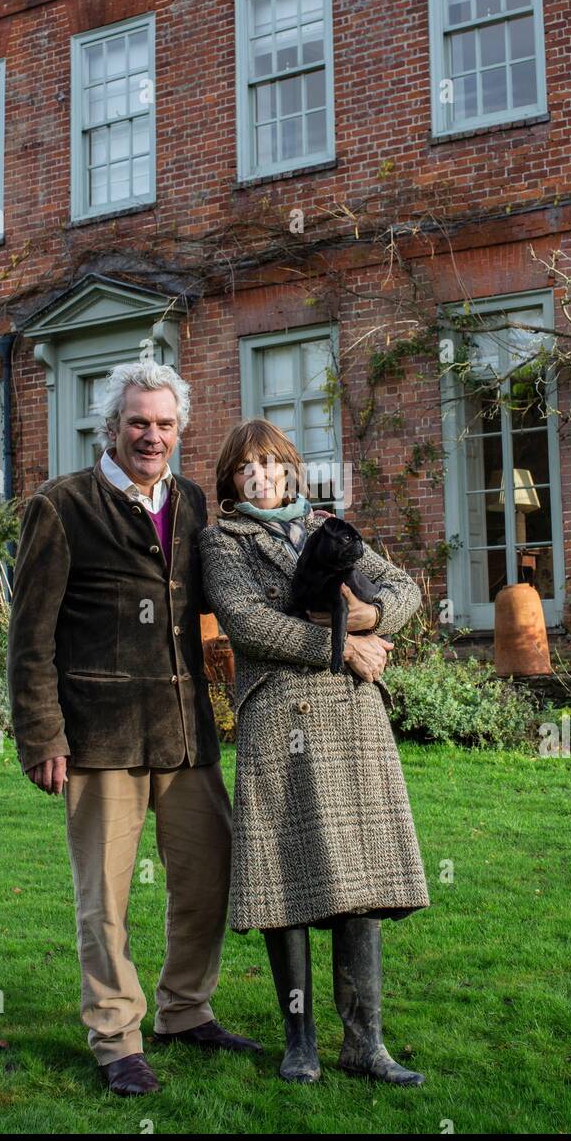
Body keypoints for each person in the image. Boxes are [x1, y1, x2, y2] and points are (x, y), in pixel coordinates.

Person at [6, 360, 261, 1097]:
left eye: (166, 424)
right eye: (139, 423)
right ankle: (117, 1038)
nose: (153, 436)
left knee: (209, 876)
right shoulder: (62, 506)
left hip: (186, 736)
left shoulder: (188, 500)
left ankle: (185, 1010)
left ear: (180, 431)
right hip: (101, 738)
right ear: (111, 429)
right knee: (105, 900)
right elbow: (30, 638)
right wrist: (42, 736)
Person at [198, 418, 430, 1086]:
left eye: (272, 464)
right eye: (246, 468)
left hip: (353, 720)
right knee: (286, 879)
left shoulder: (329, 528)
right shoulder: (223, 541)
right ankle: (300, 1042)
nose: (262, 477)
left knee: (360, 879)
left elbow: (407, 589)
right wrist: (341, 646)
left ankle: (366, 1043)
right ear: (231, 482)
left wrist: (366, 618)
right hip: (278, 715)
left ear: (292, 470)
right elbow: (247, 622)